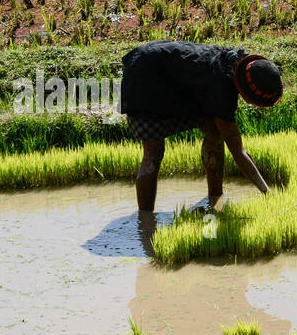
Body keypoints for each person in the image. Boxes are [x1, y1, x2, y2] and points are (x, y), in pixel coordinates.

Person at [118, 40, 283, 214]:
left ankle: (215, 199)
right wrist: (268, 194)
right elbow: (238, 152)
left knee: (215, 135)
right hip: (144, 78)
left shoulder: (229, 66)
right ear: (245, 93)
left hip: (176, 85)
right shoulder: (221, 87)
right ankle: (145, 220)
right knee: (153, 153)